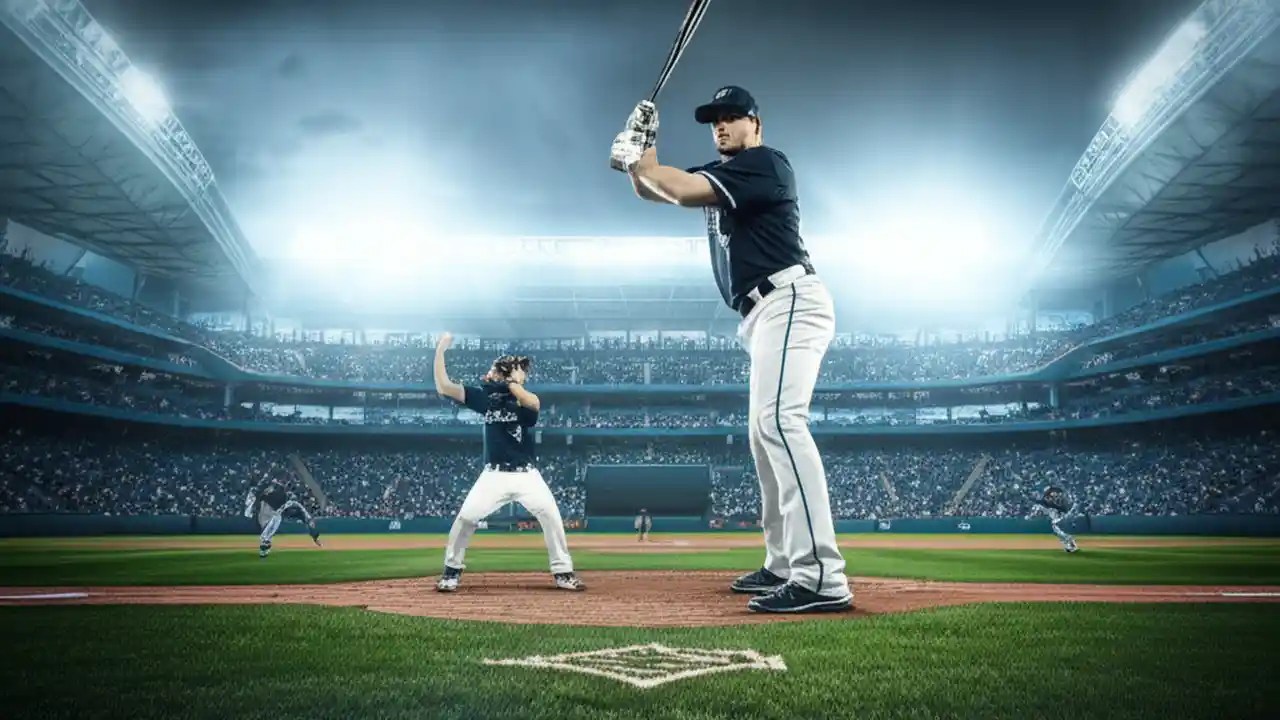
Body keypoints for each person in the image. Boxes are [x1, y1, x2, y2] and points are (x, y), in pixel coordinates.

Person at [610, 86, 851, 613]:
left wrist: (645, 150)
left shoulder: (765, 164)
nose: (720, 126)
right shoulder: (729, 172)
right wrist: (639, 150)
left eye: (731, 117)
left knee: (781, 425)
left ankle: (822, 576)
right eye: (714, 120)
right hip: (763, 312)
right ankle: (784, 562)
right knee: (763, 437)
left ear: (755, 123)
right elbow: (653, 186)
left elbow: (673, 187)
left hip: (789, 298)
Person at [432, 333, 584, 592]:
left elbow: (532, 404)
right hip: (494, 475)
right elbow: (444, 387)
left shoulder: (524, 397)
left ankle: (563, 573)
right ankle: (451, 572)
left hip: (527, 475)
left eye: (497, 369)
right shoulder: (484, 397)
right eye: (496, 368)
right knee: (466, 518)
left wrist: (514, 382)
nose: (492, 372)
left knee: (551, 517)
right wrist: (440, 351)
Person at [244, 477, 321, 558]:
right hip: (269, 510)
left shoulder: (290, 503)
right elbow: (258, 494)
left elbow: (304, 516)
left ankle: (265, 543)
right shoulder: (275, 493)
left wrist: (314, 535)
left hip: (273, 511)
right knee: (274, 519)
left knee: (275, 518)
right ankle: (265, 542)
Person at [1030, 485, 1081, 553]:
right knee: (1057, 532)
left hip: (1061, 516)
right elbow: (1045, 503)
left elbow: (1057, 505)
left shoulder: (1057, 499)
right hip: (1059, 516)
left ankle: (1071, 544)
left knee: (1058, 530)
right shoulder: (1050, 499)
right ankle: (1069, 545)